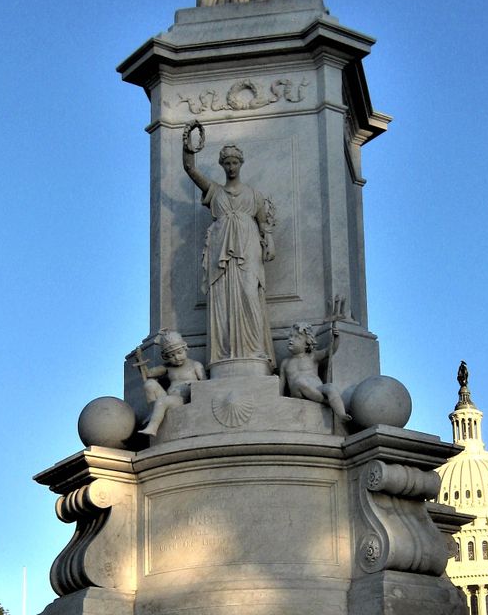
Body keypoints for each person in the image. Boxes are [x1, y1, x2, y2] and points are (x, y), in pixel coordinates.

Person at [181, 123, 276, 368]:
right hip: (221, 248)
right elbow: (190, 169)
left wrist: (270, 242)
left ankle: (254, 350)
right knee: (223, 299)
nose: (231, 167)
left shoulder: (254, 195)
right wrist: (188, 147)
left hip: (248, 247)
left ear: (240, 164)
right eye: (227, 163)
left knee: (249, 294)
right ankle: (225, 353)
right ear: (222, 165)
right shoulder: (216, 192)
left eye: (235, 162)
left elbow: (264, 224)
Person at [134, 331, 206, 437]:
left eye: (179, 352)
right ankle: (153, 412)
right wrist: (139, 358)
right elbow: (148, 374)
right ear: (166, 357)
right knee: (150, 384)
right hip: (167, 398)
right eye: (172, 355)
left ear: (185, 349)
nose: (176, 358)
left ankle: (153, 427)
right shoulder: (168, 367)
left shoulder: (195, 365)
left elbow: (205, 383)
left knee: (162, 401)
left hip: (182, 400)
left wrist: (193, 383)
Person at [279, 323, 350, 422]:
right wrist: (280, 400)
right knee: (300, 381)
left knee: (330, 387)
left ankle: (342, 414)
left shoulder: (312, 356)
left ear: (307, 343)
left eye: (297, 337)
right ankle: (326, 401)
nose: (291, 340)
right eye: (290, 336)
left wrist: (336, 338)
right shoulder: (285, 363)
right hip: (299, 392)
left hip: (317, 388)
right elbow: (281, 385)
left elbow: (330, 351)